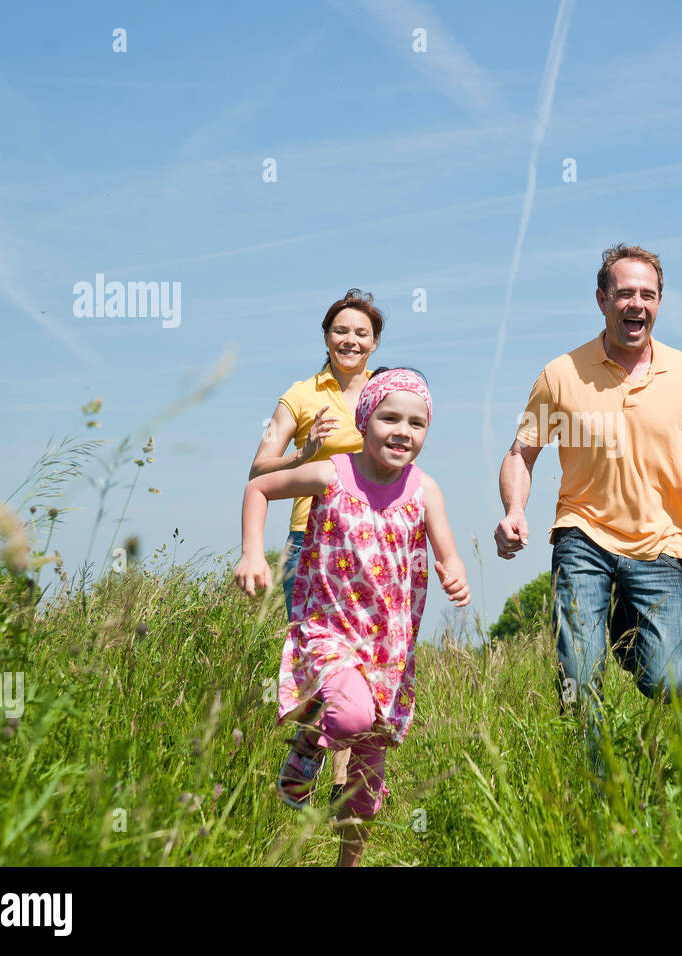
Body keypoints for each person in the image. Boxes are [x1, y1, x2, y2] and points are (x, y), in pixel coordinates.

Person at [494, 243, 682, 772]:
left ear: (658, 303)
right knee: (578, 681)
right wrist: (516, 509)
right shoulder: (562, 373)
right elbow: (521, 452)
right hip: (582, 534)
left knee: (668, 683)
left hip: (661, 545)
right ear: (602, 300)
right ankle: (599, 789)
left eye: (647, 294)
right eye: (624, 293)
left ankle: (627, 640)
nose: (636, 304)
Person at [235, 367, 470, 866]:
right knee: (352, 715)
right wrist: (252, 553)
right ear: (364, 421)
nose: (403, 432)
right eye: (390, 418)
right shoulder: (331, 473)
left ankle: (348, 862)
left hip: (390, 650)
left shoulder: (425, 490)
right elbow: (258, 489)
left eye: (416, 423)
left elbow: (448, 550)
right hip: (329, 630)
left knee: (367, 779)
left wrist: (455, 573)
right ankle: (312, 740)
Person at [249, 288, 381, 797]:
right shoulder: (301, 395)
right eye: (340, 331)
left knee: (363, 664)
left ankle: (343, 789)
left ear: (374, 342)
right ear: (326, 338)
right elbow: (259, 468)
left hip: (371, 544)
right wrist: (302, 453)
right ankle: (308, 742)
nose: (350, 340)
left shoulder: (385, 392)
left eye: (361, 333)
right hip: (311, 542)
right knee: (321, 662)